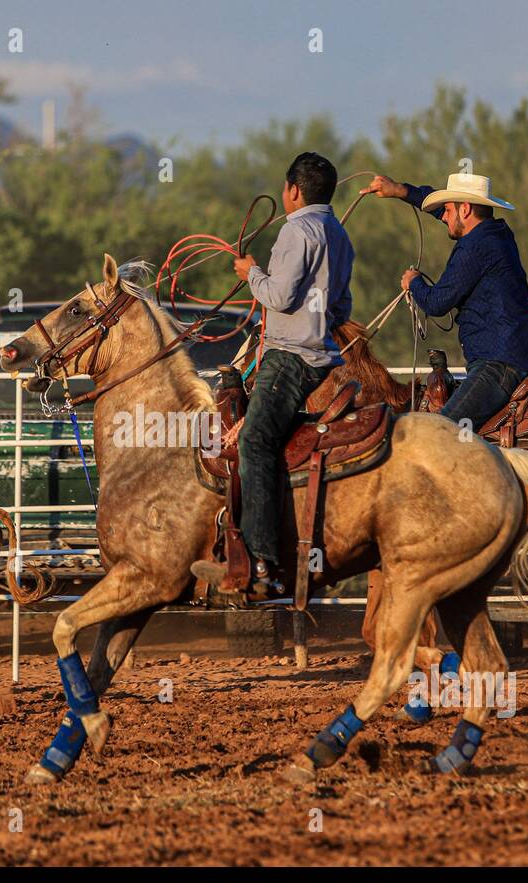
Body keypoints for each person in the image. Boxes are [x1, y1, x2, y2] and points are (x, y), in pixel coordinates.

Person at [191, 151, 354, 597]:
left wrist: (251, 273)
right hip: (322, 358)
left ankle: (259, 563)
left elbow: (279, 297)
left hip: (288, 359)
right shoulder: (339, 235)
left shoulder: (296, 229)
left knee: (254, 441)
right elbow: (343, 307)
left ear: (293, 190)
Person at [360, 171, 528, 429]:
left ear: (466, 209)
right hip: (515, 358)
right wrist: (400, 190)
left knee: (438, 432)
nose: (443, 216)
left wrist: (413, 282)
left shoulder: (475, 248)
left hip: (499, 365)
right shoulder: (496, 233)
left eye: (447, 210)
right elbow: (446, 214)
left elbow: (437, 303)